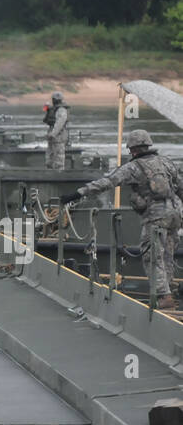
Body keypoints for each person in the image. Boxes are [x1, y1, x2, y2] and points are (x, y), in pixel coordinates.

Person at [62, 129, 183, 309]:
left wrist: (77, 193)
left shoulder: (133, 167)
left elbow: (108, 182)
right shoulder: (166, 162)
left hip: (155, 216)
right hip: (175, 213)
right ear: (148, 144)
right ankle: (168, 291)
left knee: (151, 256)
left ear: (132, 150)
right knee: (167, 254)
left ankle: (162, 296)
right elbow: (180, 187)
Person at [45, 92, 69, 169]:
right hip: (52, 134)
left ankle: (59, 171)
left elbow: (60, 123)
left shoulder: (61, 110)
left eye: (55, 99)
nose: (54, 100)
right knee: (50, 155)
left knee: (59, 156)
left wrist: (53, 134)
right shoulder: (53, 109)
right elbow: (48, 121)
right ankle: (50, 169)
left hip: (59, 135)